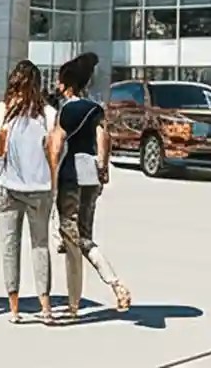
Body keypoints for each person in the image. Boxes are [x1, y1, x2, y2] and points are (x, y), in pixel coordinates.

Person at [48, 53, 132, 320]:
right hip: (90, 177)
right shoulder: (95, 109)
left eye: (59, 81)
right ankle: (115, 284)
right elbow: (103, 137)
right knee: (84, 237)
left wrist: (51, 177)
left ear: (67, 84)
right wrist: (103, 169)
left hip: (70, 176)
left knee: (73, 241)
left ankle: (78, 301)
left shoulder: (67, 110)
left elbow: (57, 144)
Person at [0, 60, 57, 323]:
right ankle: (46, 307)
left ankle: (14, 309)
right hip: (41, 188)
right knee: (40, 245)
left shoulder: (0, 111)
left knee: (9, 246)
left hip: (7, 186)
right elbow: (53, 154)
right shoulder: (49, 113)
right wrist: (54, 186)